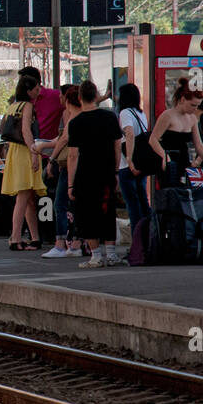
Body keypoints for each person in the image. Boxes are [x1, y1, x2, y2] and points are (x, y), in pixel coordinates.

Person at [67, 81, 124, 269]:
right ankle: (112, 254)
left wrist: (70, 183)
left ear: (79, 98)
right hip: (107, 171)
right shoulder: (109, 117)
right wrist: (115, 171)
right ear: (96, 95)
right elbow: (117, 146)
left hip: (85, 174)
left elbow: (73, 155)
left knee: (87, 214)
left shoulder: (75, 123)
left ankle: (96, 256)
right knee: (108, 212)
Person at [2, 75, 47, 250]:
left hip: (15, 150)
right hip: (25, 151)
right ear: (28, 91)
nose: (39, 91)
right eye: (36, 89)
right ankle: (15, 238)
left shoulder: (13, 106)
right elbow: (26, 131)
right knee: (23, 197)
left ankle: (35, 237)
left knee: (27, 197)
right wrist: (34, 152)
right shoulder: (27, 106)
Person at [149, 78, 203, 189]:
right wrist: (164, 156)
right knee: (170, 194)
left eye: (197, 105)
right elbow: (153, 139)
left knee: (185, 194)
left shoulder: (192, 118)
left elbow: (199, 145)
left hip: (184, 160)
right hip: (168, 160)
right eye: (192, 105)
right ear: (182, 100)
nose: (195, 108)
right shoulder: (167, 115)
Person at [38, 86, 82, 260]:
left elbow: (65, 142)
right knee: (78, 206)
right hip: (86, 165)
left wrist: (51, 159)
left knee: (60, 204)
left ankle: (60, 243)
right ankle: (78, 243)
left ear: (67, 99)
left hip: (70, 165)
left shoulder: (73, 118)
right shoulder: (88, 115)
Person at [116, 83, 151, 222]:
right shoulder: (141, 113)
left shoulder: (125, 112)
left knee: (132, 205)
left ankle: (137, 239)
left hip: (128, 166)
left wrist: (129, 160)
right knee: (143, 202)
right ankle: (148, 235)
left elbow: (129, 133)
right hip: (141, 163)